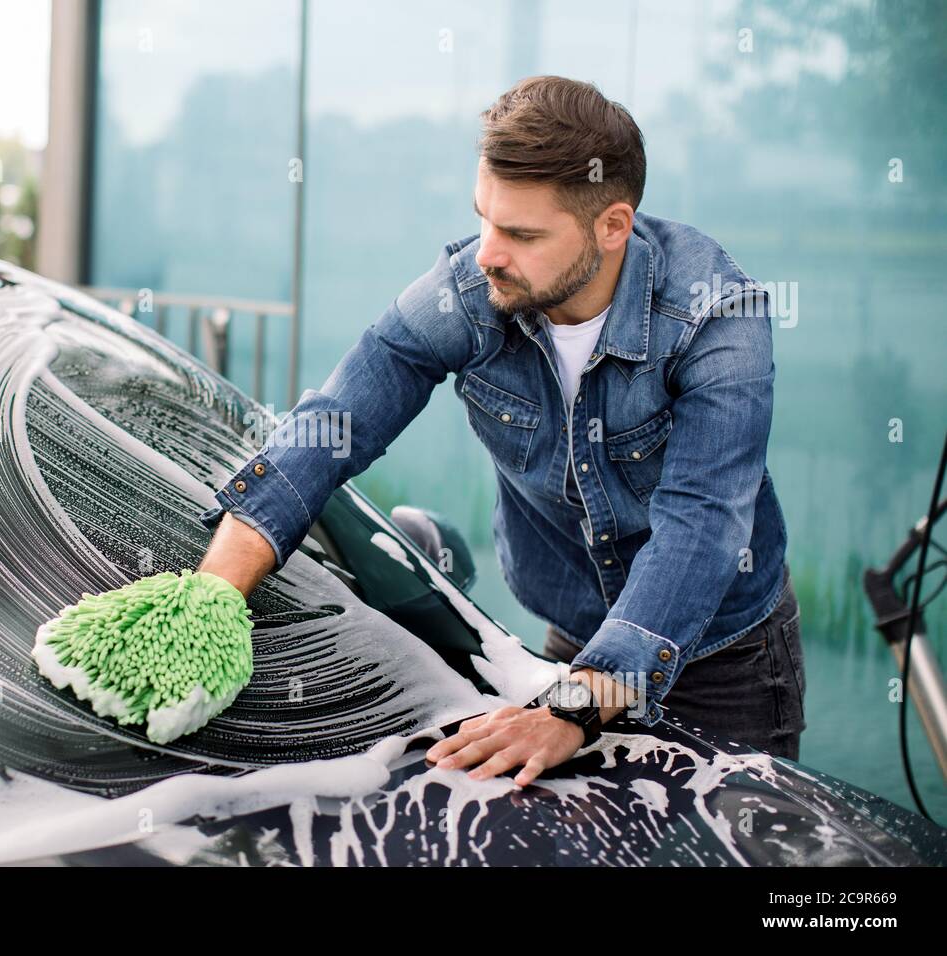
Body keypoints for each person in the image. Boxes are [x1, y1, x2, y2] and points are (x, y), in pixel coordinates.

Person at [195, 74, 805, 789]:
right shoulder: (473, 289)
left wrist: (569, 709)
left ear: (612, 226)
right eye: (484, 218)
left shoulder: (717, 319)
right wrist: (211, 596)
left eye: (520, 233)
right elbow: (334, 423)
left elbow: (699, 530)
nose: (487, 252)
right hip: (574, 637)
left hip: (723, 662)